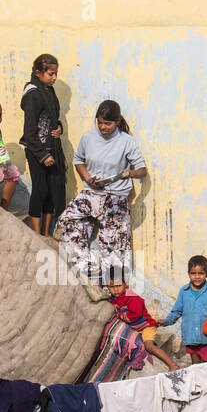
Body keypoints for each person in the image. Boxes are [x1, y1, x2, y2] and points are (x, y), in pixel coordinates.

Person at [55, 100, 146, 282]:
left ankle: (113, 291)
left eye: (108, 123)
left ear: (117, 122)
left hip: (116, 198)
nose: (102, 127)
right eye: (100, 122)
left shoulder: (126, 141)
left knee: (115, 247)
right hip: (92, 193)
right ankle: (90, 274)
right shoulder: (88, 137)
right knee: (65, 225)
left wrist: (129, 173)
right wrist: (87, 177)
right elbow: (78, 160)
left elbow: (142, 170)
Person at [20, 53, 67, 235]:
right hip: (37, 151)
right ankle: (36, 234)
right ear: (38, 73)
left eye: (56, 74)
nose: (54, 77)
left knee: (52, 191)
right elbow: (30, 131)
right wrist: (42, 155)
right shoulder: (33, 94)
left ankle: (47, 233)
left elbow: (53, 117)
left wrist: (59, 128)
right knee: (40, 190)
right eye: (50, 74)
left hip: (52, 148)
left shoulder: (48, 90)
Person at [106, 279, 180, 371]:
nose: (116, 289)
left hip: (146, 327)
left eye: (118, 285)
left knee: (149, 346)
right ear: (107, 287)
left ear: (125, 285)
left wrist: (120, 315)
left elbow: (135, 315)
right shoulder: (114, 297)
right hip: (135, 327)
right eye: (112, 287)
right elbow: (113, 301)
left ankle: (172, 365)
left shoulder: (133, 297)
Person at [159, 254, 207, 364]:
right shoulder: (184, 291)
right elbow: (177, 311)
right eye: (193, 273)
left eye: (201, 273)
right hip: (191, 337)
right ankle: (197, 382)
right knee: (196, 366)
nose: (197, 277)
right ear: (188, 273)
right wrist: (165, 321)